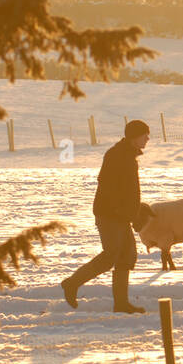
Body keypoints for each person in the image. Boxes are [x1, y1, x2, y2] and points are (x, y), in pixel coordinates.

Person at [61, 119, 152, 314]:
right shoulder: (116, 155)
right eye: (145, 134)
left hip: (122, 215)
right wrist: (121, 210)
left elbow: (127, 190)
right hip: (110, 215)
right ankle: (72, 283)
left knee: (126, 257)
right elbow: (107, 185)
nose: (148, 138)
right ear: (135, 136)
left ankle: (121, 304)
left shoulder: (127, 155)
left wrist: (134, 210)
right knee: (111, 255)